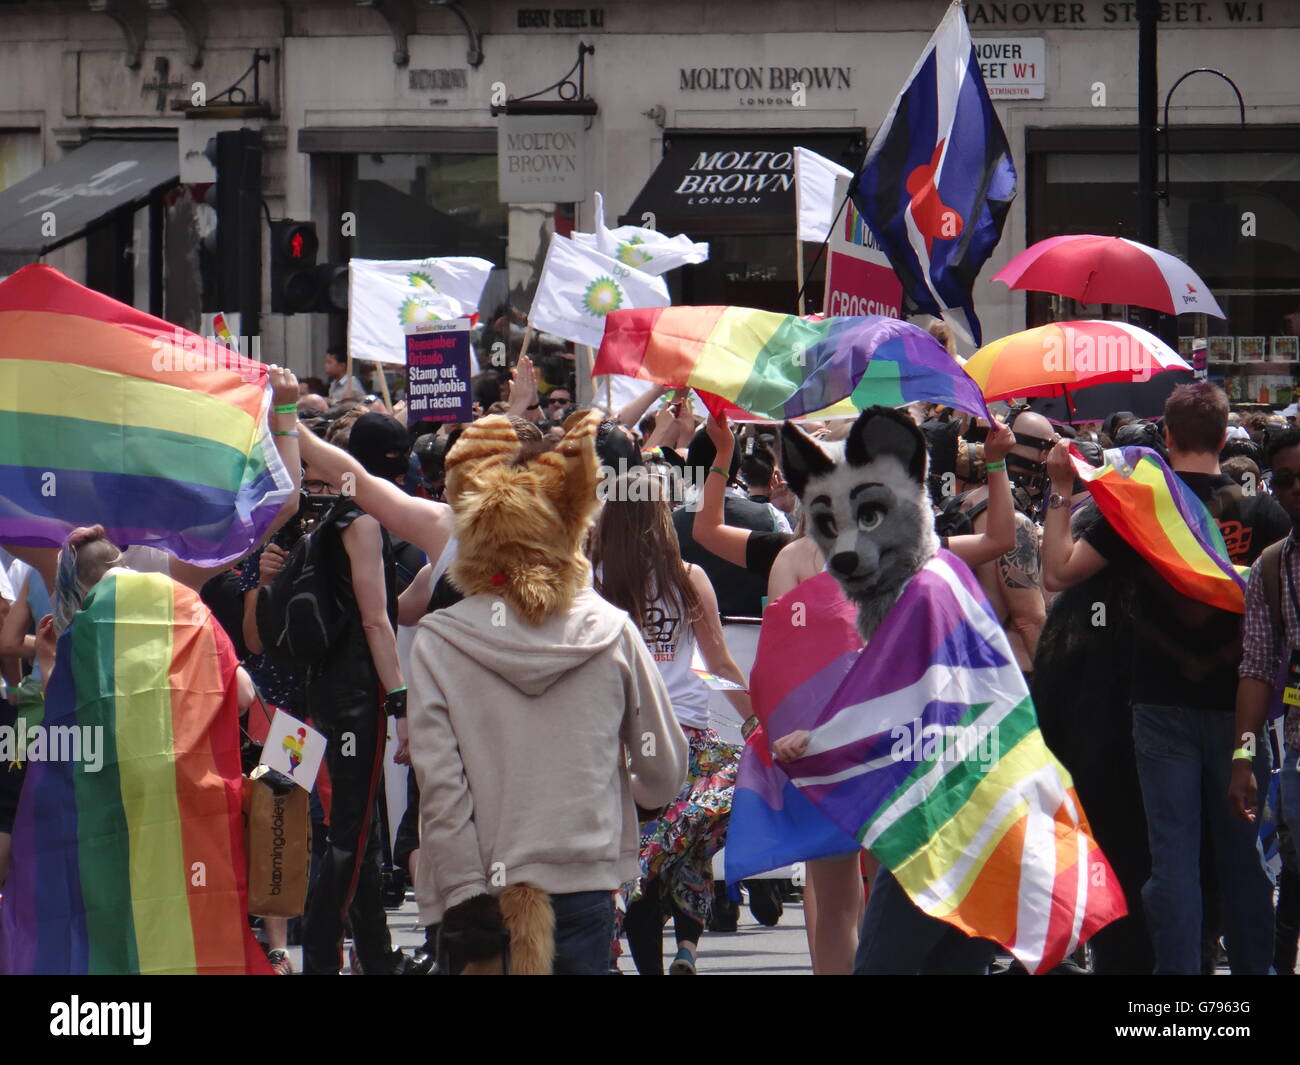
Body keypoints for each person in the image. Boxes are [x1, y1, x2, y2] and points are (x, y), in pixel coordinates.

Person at [407, 413, 688, 974]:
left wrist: (464, 890)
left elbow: (441, 789)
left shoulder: (439, 642)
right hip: (581, 875)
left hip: (478, 895)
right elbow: (662, 767)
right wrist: (612, 792)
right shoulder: (612, 631)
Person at [1044, 382, 1289, 975]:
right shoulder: (1264, 515)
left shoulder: (1140, 507)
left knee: (1171, 863)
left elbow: (1056, 573)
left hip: (1157, 707)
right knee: (1243, 861)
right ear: (1227, 434)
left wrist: (1058, 490)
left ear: (1169, 436)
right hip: (1243, 712)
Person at [591, 465, 756, 975]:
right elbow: (720, 665)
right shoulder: (689, 578)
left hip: (622, 739)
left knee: (643, 848)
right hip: (686, 735)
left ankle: (621, 935)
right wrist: (755, 724)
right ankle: (684, 948)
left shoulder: (591, 580)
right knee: (685, 846)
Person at [298, 419, 417, 976]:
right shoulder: (361, 523)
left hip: (322, 696)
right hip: (354, 703)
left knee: (357, 839)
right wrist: (400, 700)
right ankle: (322, 959)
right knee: (348, 840)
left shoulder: (324, 522)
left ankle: (375, 956)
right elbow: (376, 621)